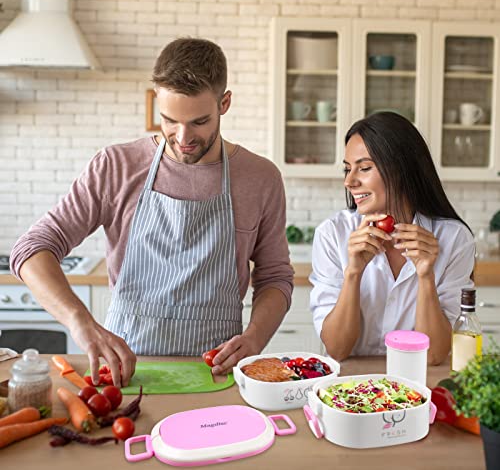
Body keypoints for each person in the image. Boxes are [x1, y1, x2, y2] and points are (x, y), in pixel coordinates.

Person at [11, 38, 293, 386]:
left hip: (216, 373)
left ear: (225, 103)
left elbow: (275, 278)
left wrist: (254, 339)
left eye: (199, 121)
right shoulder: (116, 167)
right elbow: (31, 249)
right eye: (169, 120)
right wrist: (79, 320)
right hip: (125, 372)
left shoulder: (260, 178)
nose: (183, 136)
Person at [310, 111, 474, 365]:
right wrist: (353, 273)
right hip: (348, 390)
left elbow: (433, 355)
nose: (349, 181)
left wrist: (426, 276)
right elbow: (337, 349)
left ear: (401, 169)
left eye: (364, 168)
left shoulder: (454, 239)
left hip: (418, 384)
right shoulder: (332, 234)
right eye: (347, 169)